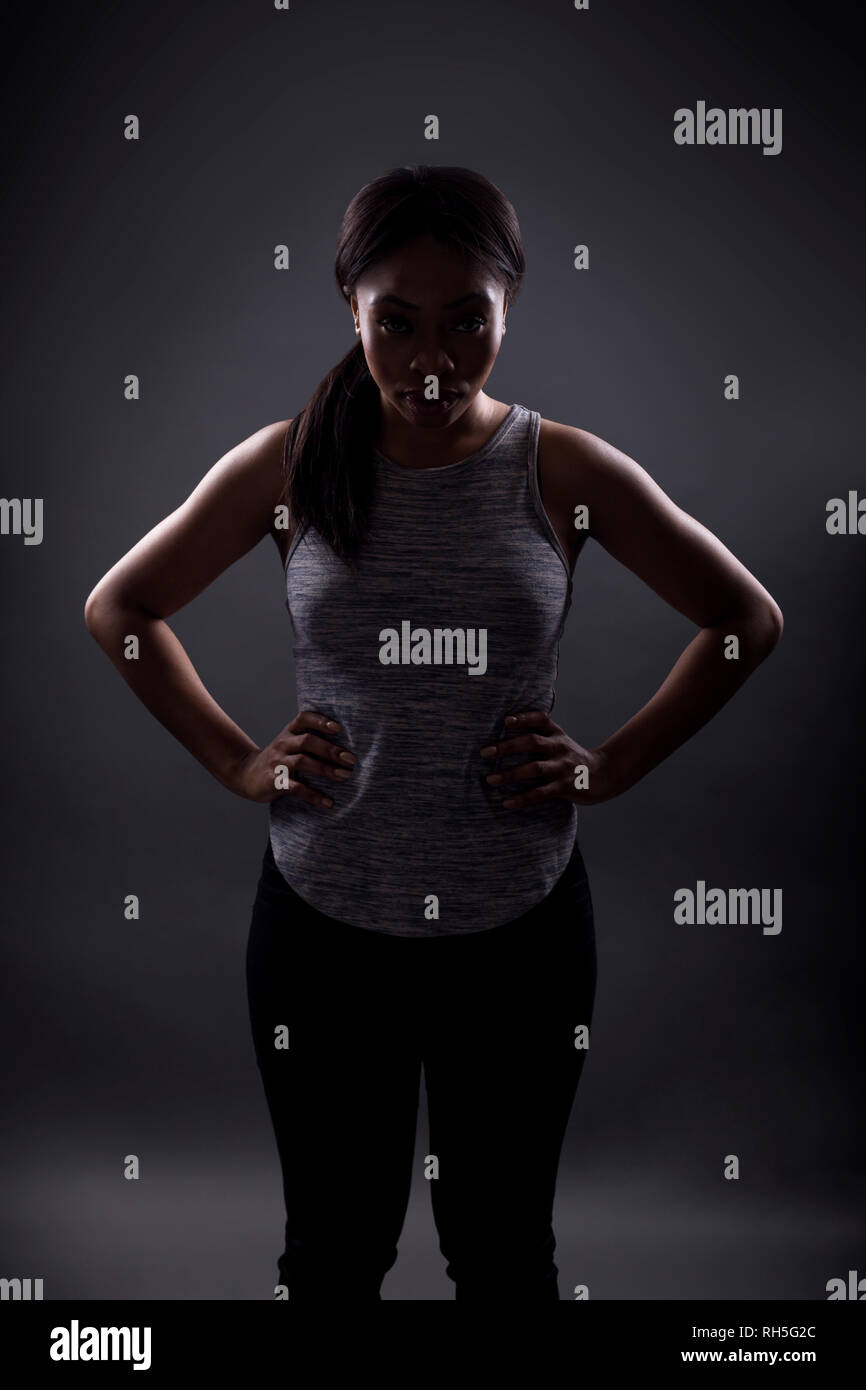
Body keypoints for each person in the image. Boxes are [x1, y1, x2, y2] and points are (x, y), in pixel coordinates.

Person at [84, 165, 783, 1301]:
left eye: (467, 322)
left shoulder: (559, 469)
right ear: (348, 310)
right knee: (330, 1257)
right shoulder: (290, 463)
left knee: (504, 1259)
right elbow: (120, 607)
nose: (431, 360)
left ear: (510, 309)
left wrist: (610, 764)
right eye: (394, 322)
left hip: (517, 932)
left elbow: (743, 620)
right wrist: (234, 757)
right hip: (322, 932)